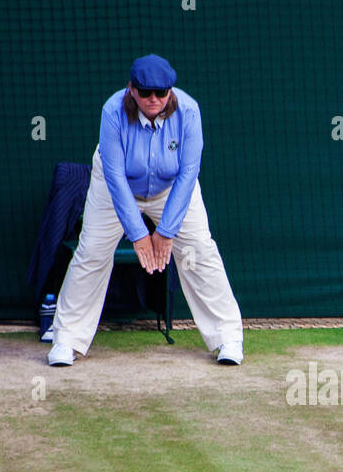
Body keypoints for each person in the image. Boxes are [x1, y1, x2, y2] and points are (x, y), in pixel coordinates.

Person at [47, 54, 244, 366]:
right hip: (115, 186)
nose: (153, 99)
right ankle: (66, 339)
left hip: (172, 188)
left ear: (170, 92)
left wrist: (165, 232)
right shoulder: (112, 111)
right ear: (131, 90)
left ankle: (227, 338)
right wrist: (139, 235)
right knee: (92, 251)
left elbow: (189, 172)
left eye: (161, 93)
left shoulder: (189, 112)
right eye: (145, 93)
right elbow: (113, 175)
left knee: (199, 252)